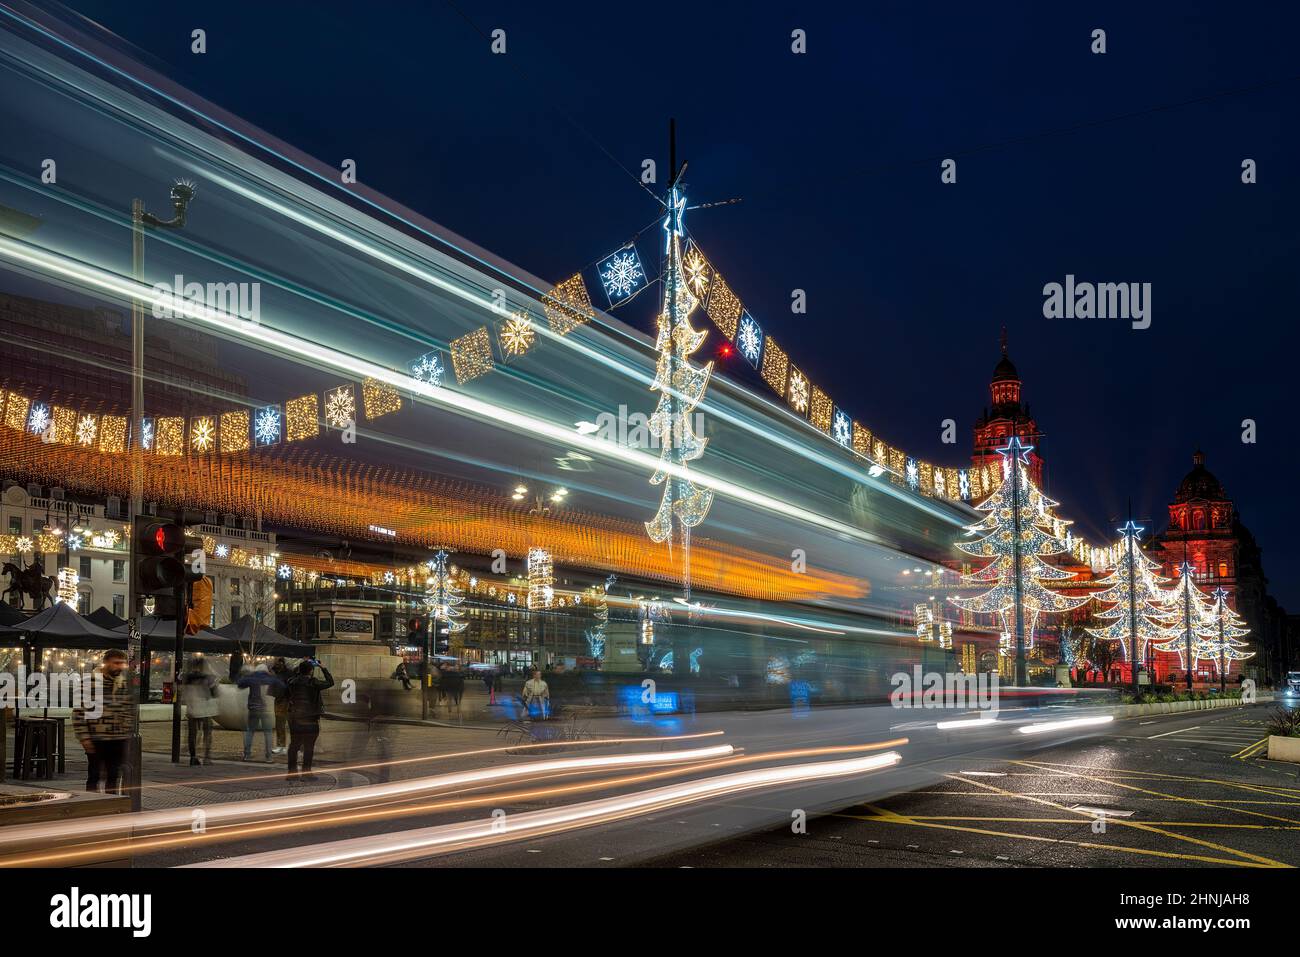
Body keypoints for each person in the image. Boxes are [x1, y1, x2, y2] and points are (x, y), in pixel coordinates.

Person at [73, 649, 131, 794]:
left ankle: (111, 807)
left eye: (122, 663)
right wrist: (85, 739)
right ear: (105, 663)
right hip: (96, 738)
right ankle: (91, 806)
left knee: (114, 776)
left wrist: (126, 732)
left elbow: (128, 710)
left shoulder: (123, 683)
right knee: (94, 776)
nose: (120, 666)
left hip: (118, 738)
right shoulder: (90, 682)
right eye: (116, 663)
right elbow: (79, 712)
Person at [286, 658, 334, 781]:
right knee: (309, 747)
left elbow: (293, 679)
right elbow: (330, 682)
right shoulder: (314, 683)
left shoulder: (292, 682)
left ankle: (292, 773)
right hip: (310, 720)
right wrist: (323, 668)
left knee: (294, 746)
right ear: (311, 671)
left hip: (295, 719)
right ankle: (306, 773)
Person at [237, 663, 284, 762]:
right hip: (267, 709)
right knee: (268, 733)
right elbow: (283, 687)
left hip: (254, 708)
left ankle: (247, 755)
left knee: (250, 731)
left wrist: (246, 674)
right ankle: (269, 757)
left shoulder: (252, 677)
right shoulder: (272, 678)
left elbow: (240, 684)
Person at [179, 655, 219, 766]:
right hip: (205, 708)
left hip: (192, 708)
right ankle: (207, 757)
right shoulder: (208, 678)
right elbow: (215, 693)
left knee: (192, 733)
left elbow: (181, 690)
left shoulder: (186, 677)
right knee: (207, 733)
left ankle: (193, 757)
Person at [270, 657, 292, 754]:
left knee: (287, 724)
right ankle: (281, 745)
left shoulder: (287, 674)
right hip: (280, 700)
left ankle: (287, 746)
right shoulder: (277, 673)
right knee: (280, 724)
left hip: (286, 700)